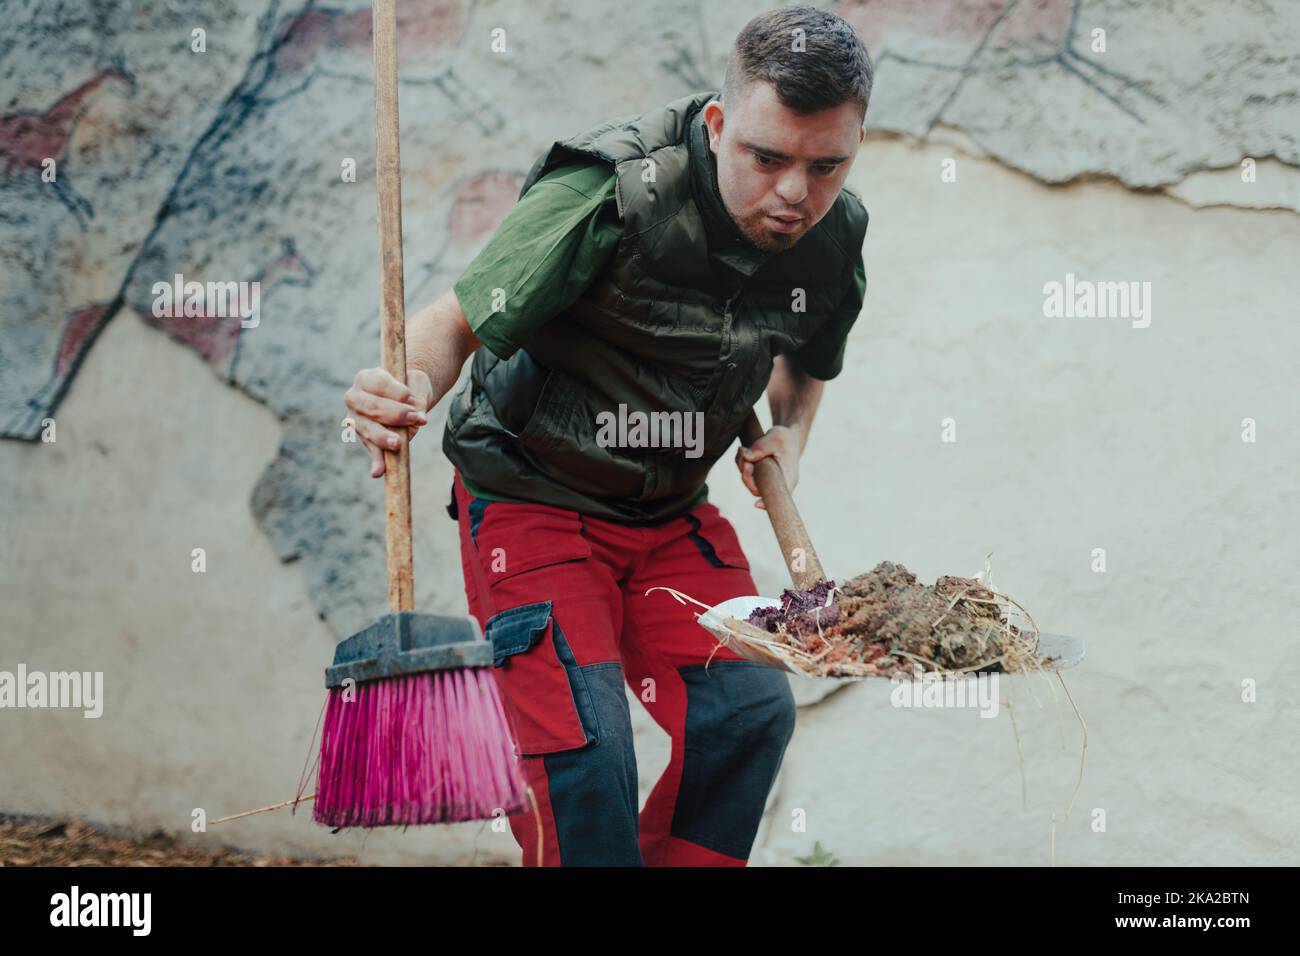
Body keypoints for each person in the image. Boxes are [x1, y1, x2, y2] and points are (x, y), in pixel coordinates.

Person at [343, 5, 872, 866]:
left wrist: (791, 432)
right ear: (717, 123)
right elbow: (454, 323)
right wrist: (402, 389)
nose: (793, 193)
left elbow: (809, 356)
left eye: (826, 166)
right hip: (531, 495)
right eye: (766, 157)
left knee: (748, 710)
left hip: (667, 513)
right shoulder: (613, 190)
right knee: (586, 753)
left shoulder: (833, 234)